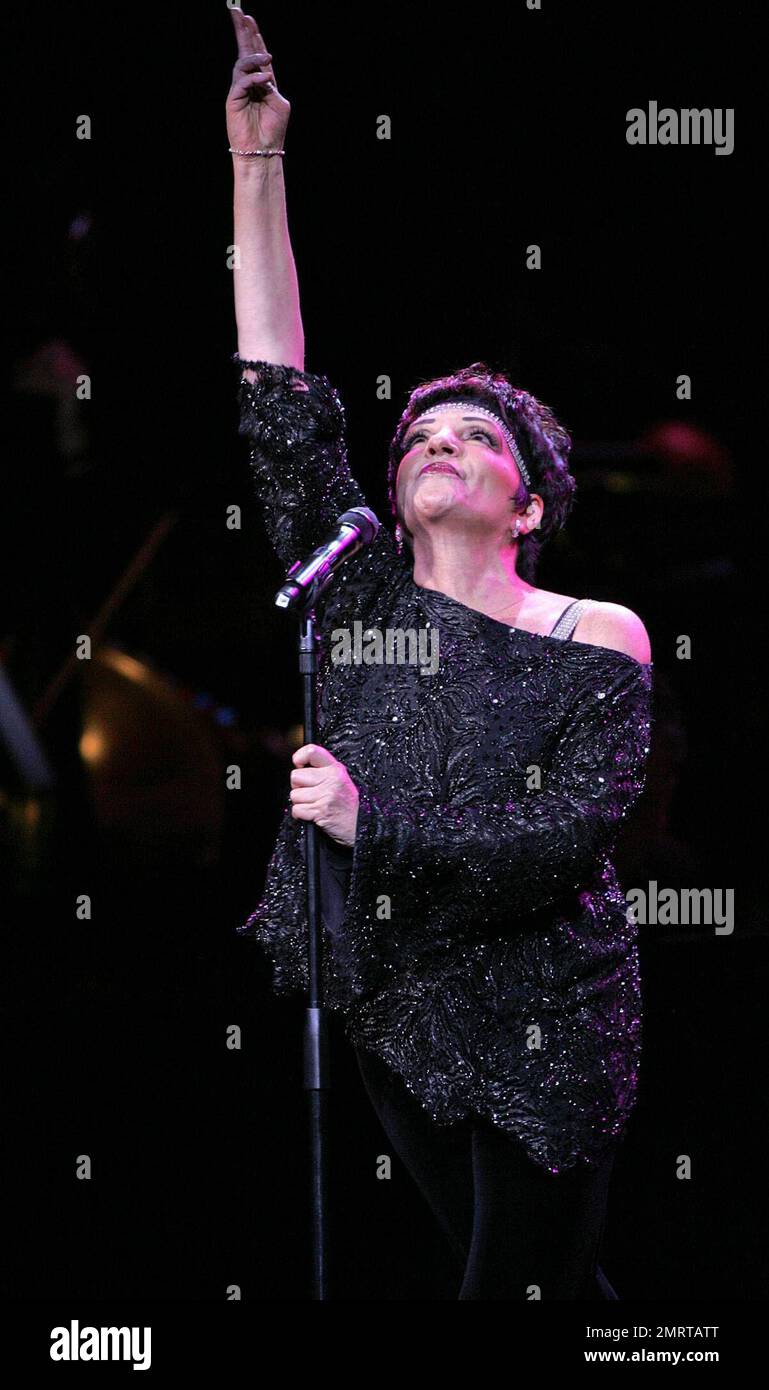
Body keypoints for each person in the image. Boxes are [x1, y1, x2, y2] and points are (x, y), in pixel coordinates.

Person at [226, 7, 654, 1300]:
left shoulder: (593, 633)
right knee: (540, 1290)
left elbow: (556, 843)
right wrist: (255, 162)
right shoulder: (352, 587)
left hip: (549, 1010)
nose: (433, 441)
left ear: (527, 504)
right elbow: (278, 385)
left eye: (473, 436)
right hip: (399, 996)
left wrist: (367, 820)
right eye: (419, 431)